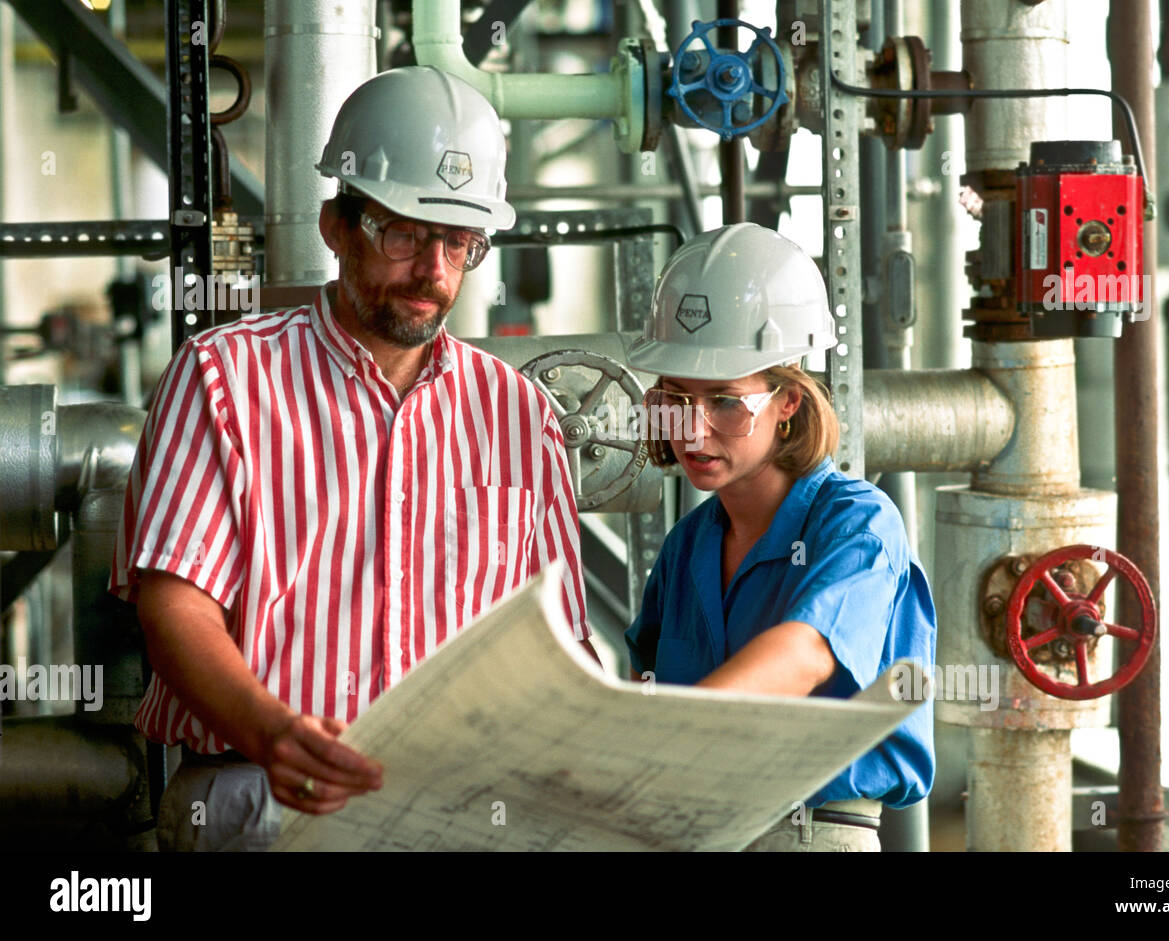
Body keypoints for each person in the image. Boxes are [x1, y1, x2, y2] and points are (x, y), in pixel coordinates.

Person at [109, 66, 598, 851]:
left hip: (469, 807)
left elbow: (562, 643)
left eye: (459, 243)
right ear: (337, 226)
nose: (433, 271)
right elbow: (174, 607)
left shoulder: (518, 415)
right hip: (263, 792)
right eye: (404, 233)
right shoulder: (224, 378)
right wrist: (271, 731)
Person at [623, 223, 936, 852]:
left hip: (813, 832)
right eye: (675, 400)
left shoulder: (857, 523)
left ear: (788, 400)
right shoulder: (690, 545)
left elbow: (806, 654)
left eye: (725, 402)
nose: (693, 431)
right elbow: (645, 692)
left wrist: (668, 738)